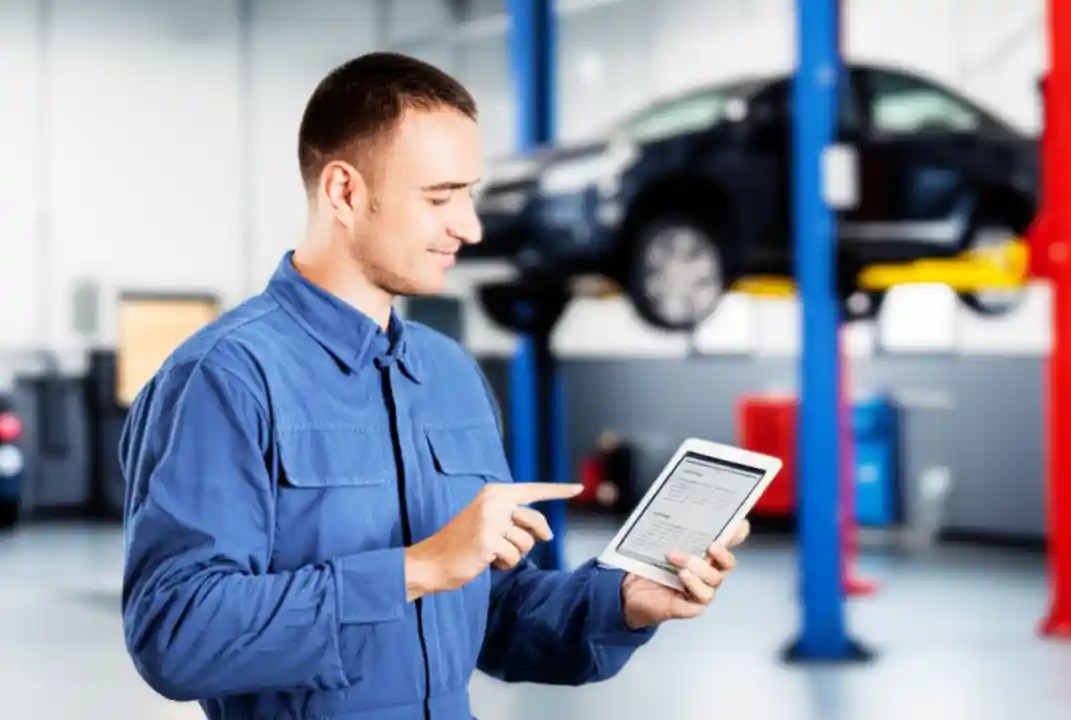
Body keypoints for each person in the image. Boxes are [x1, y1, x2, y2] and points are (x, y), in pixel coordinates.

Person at [118, 52, 749, 720]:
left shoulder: (449, 376)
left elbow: (494, 614)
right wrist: (414, 568)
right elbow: (175, 634)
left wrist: (622, 601)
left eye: (470, 195)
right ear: (343, 191)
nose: (469, 228)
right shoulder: (225, 378)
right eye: (440, 197)